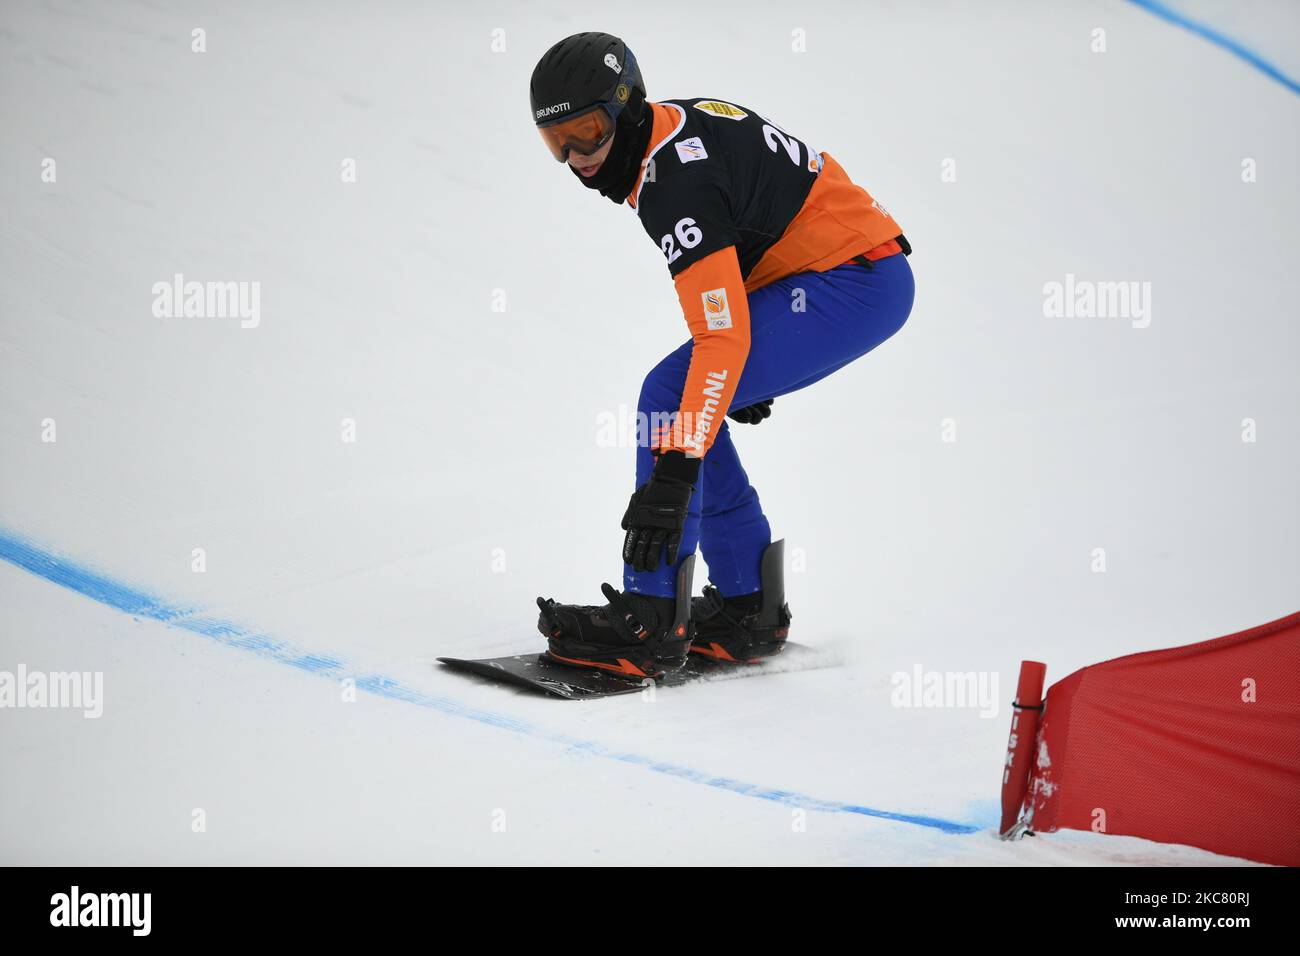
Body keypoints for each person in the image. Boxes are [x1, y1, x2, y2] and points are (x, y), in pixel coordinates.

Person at [531, 32, 914, 679]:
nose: (578, 157)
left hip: (850, 281)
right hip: (850, 271)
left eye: (588, 132)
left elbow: (722, 337)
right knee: (692, 402)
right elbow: (770, 213)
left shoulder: (673, 183)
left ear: (627, 105)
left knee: (671, 399)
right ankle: (746, 604)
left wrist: (674, 474)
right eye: (556, 142)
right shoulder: (674, 131)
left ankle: (650, 619)